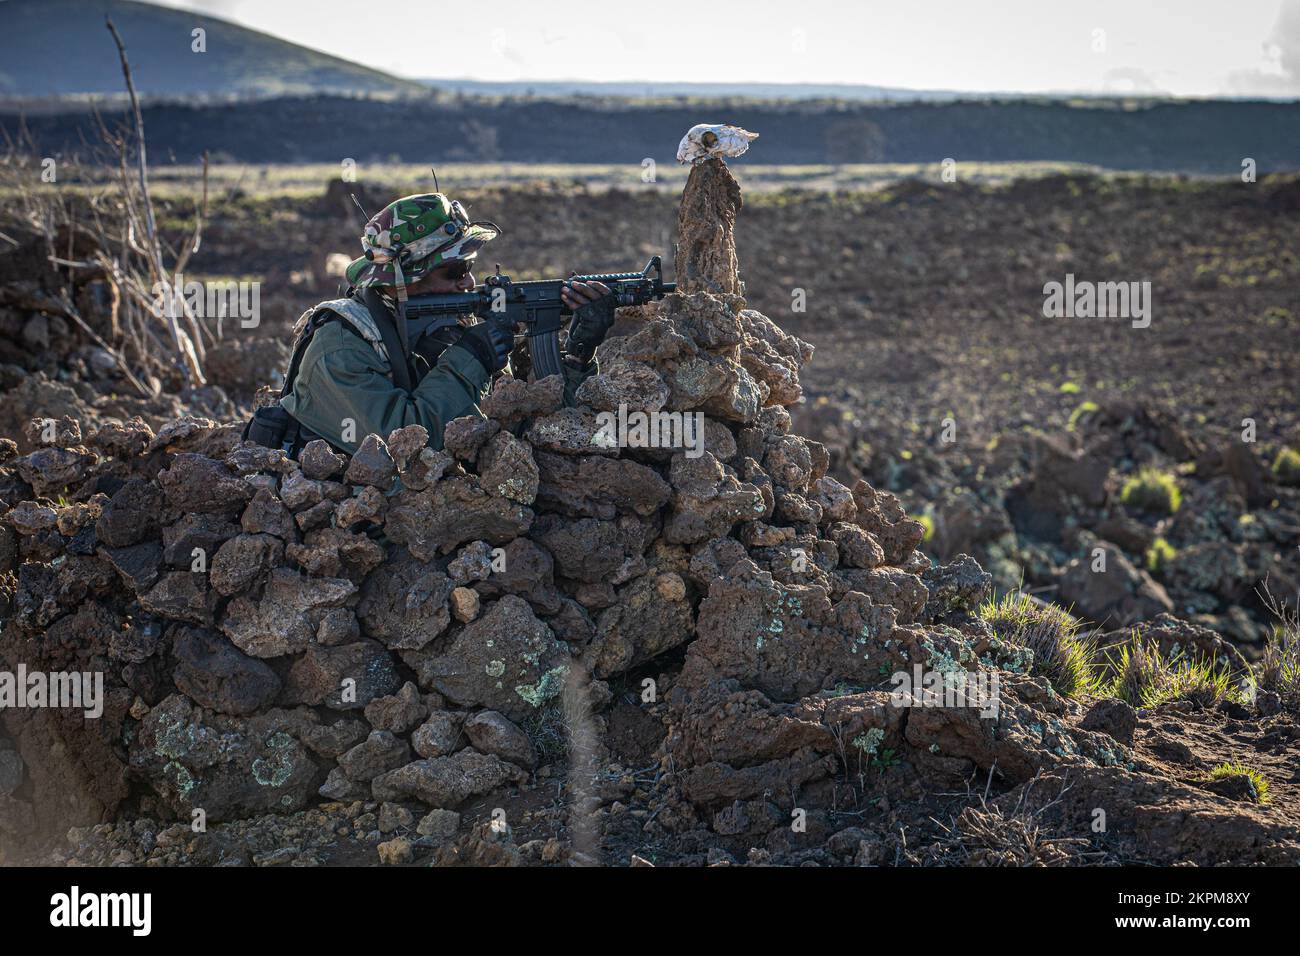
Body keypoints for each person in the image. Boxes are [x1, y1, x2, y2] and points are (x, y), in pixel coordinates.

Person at [247, 192, 614, 456]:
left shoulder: (447, 325)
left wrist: (578, 353)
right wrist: (473, 356)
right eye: (454, 271)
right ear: (400, 280)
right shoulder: (340, 348)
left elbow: (530, 422)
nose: (468, 283)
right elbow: (407, 445)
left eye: (469, 268)